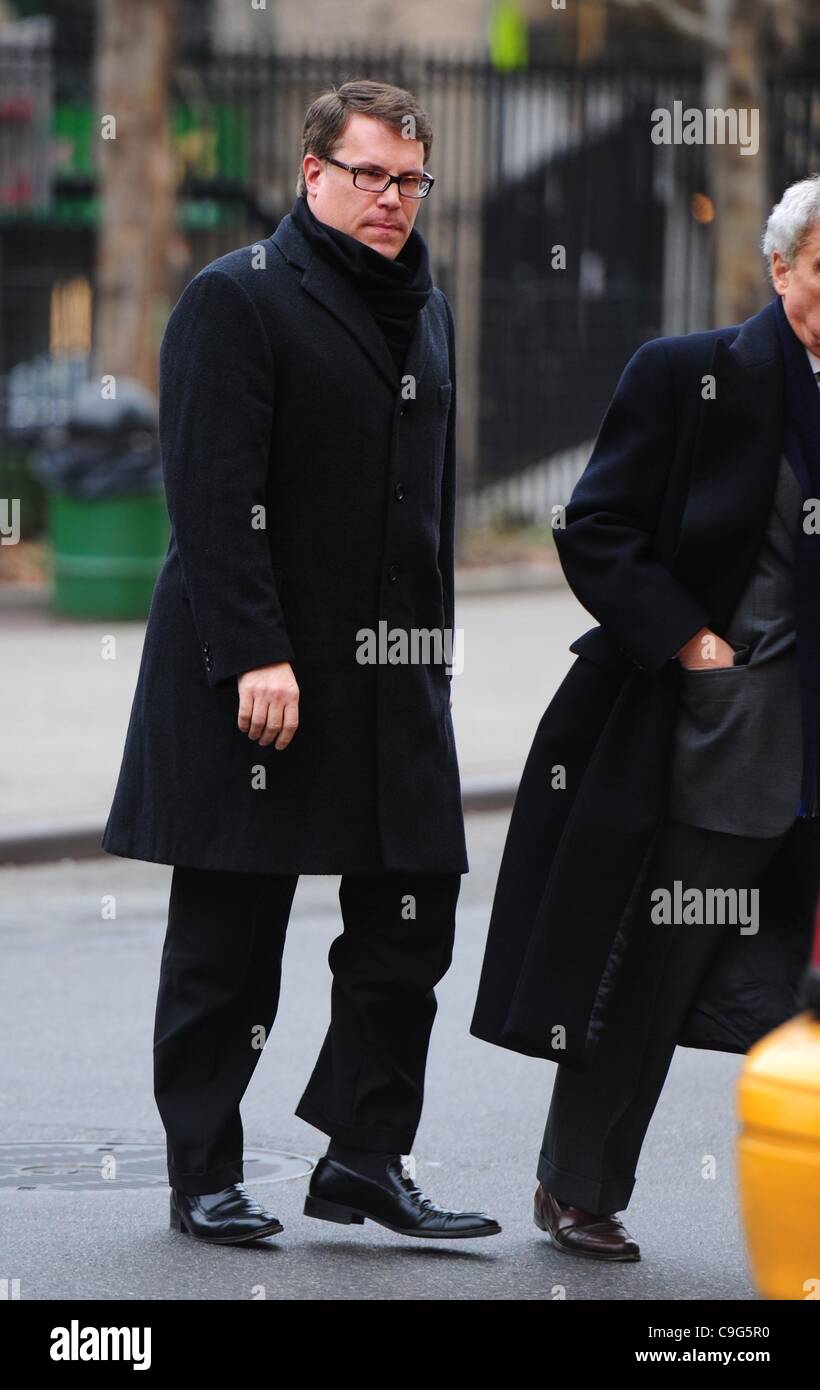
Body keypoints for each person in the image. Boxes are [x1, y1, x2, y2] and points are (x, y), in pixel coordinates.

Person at [101, 78, 500, 1246]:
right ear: (312, 173)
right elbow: (214, 499)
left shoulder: (425, 308)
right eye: (371, 174)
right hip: (264, 677)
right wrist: (254, 656)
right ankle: (203, 1170)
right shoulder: (237, 298)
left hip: (394, 676)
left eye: (410, 179)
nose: (392, 198)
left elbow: (425, 505)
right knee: (230, 936)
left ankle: (362, 1159)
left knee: (412, 916)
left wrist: (434, 652)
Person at [470, 175, 820, 1261]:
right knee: (650, 975)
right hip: (727, 737)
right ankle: (579, 1186)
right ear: (782, 268)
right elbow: (598, 526)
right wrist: (693, 645)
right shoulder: (689, 375)